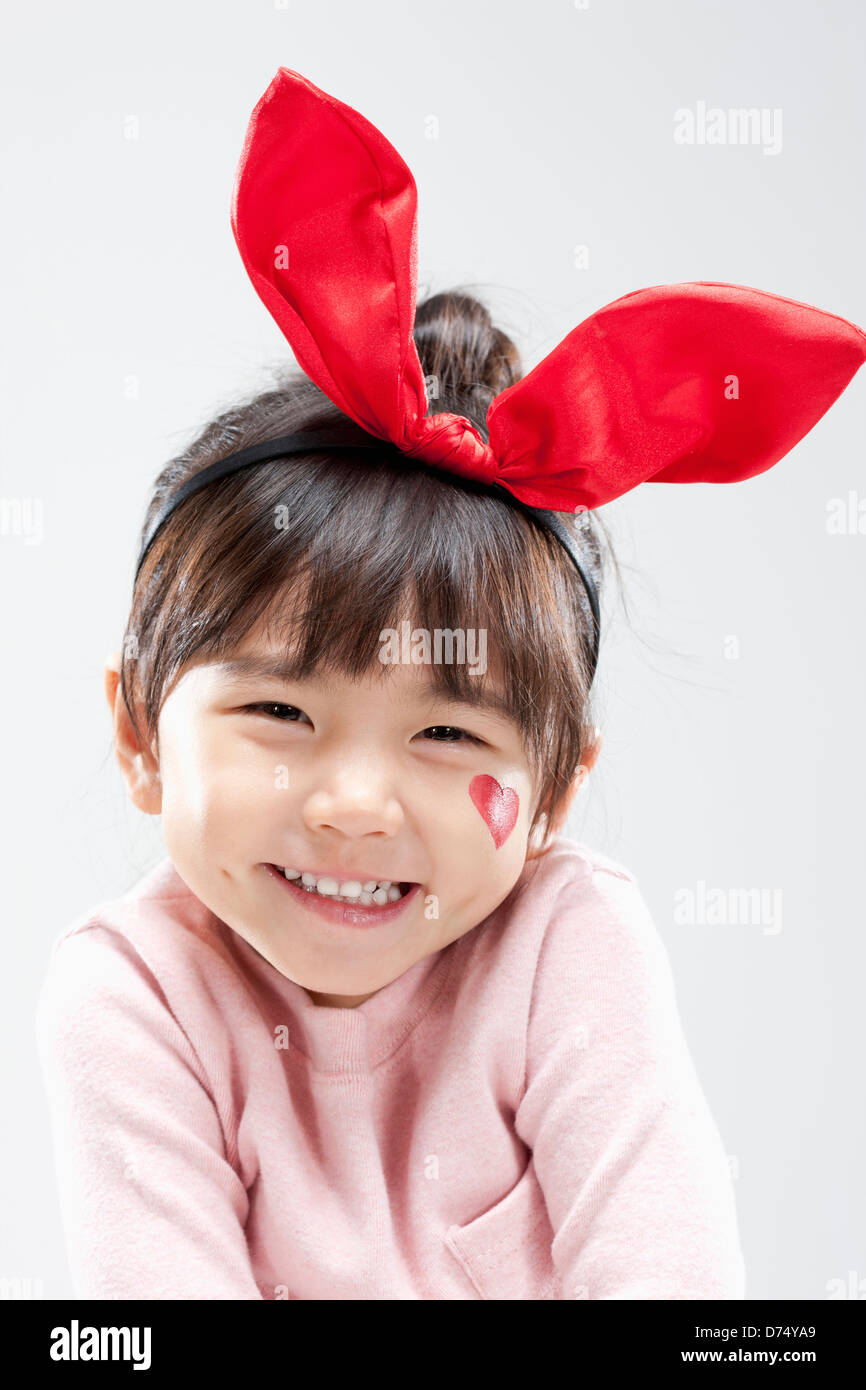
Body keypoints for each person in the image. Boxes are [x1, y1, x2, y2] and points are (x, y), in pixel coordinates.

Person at [34, 67, 865, 1301]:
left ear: (551, 795)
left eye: (441, 729)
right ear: (139, 732)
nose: (355, 804)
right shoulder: (134, 990)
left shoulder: (564, 944)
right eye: (277, 711)